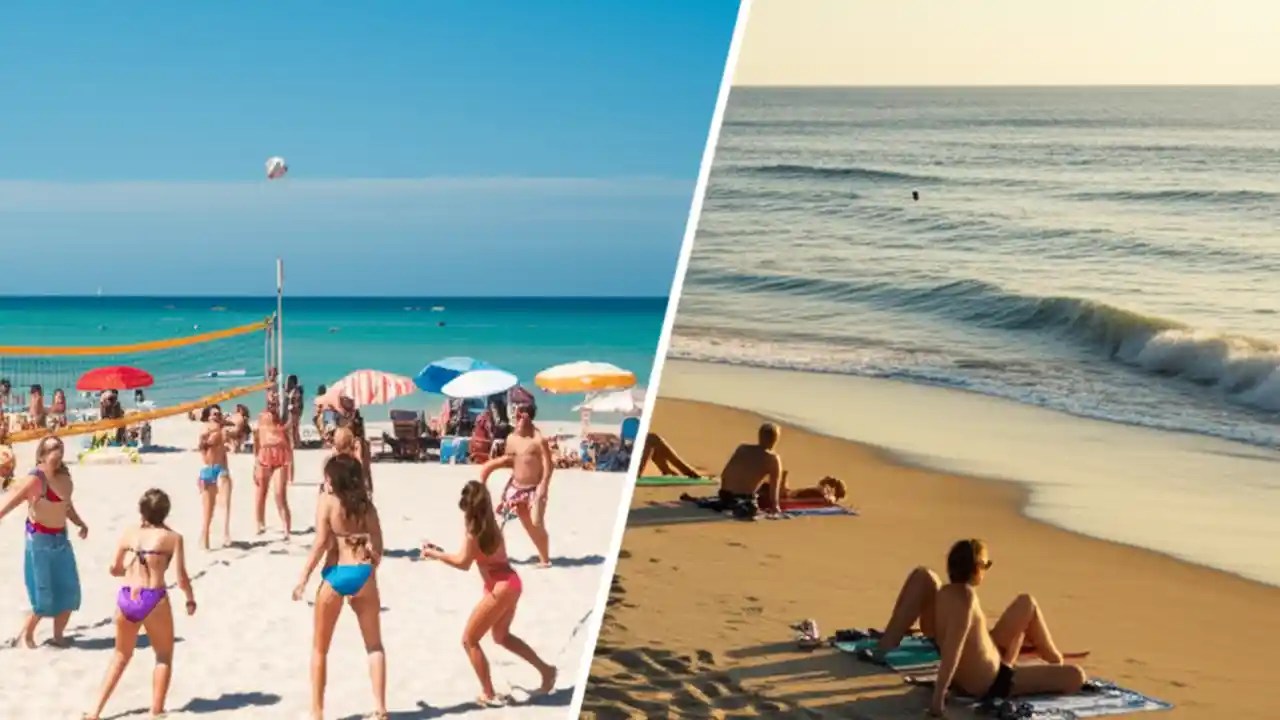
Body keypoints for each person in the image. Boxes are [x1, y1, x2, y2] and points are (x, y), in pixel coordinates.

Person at [873, 541, 1087, 717]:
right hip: (991, 682)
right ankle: (1054, 660)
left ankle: (1053, 657)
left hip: (987, 657)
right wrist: (938, 698)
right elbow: (953, 651)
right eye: (986, 565)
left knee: (1026, 603)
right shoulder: (966, 599)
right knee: (1076, 676)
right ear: (976, 569)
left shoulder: (945, 594)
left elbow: (957, 643)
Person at [420, 481, 556, 706]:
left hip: (500, 588)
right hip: (511, 583)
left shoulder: (474, 532)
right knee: (502, 637)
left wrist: (434, 554)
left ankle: (488, 693)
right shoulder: (492, 525)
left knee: (469, 640)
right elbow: (472, 556)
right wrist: (442, 554)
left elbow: (463, 563)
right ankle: (547, 671)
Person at [83, 489, 196, 720]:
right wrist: (190, 599)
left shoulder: (129, 533)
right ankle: (156, 710)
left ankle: (95, 710)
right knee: (163, 656)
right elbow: (182, 577)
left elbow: (115, 569)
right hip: (154, 597)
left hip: (127, 596)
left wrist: (127, 569)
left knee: (120, 655)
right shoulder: (173, 538)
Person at [292, 454, 387, 720]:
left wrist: (304, 577)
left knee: (320, 648)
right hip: (363, 574)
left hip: (336, 574)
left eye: (328, 477)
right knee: (374, 646)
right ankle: (380, 708)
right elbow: (378, 543)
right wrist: (371, 568)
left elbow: (321, 542)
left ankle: (317, 711)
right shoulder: (366, 506)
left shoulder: (327, 502)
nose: (325, 482)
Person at [0, 436, 88, 648]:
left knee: (70, 592)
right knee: (44, 596)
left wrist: (80, 523)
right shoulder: (34, 479)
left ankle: (58, 636)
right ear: (42, 454)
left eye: (59, 447)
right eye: (51, 449)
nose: (57, 452)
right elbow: (9, 504)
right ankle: (28, 634)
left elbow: (66, 506)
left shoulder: (65, 476)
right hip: (39, 540)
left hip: (60, 538)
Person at [480, 400, 553, 568]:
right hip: (516, 487)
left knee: (535, 522)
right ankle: (492, 553)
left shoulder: (538, 440)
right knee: (501, 521)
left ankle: (544, 559)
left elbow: (549, 466)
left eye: (520, 415)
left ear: (529, 417)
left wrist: (544, 486)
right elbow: (511, 460)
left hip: (535, 488)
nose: (516, 418)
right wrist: (491, 467)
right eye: (515, 415)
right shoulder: (511, 438)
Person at [254, 400, 293, 539]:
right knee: (261, 492)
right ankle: (260, 523)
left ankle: (286, 528)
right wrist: (255, 463)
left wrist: (291, 469)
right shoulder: (262, 417)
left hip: (280, 458)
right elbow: (257, 440)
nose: (272, 407)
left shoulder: (284, 419)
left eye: (275, 404)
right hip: (264, 456)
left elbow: (289, 446)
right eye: (270, 404)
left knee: (279, 494)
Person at [196, 405, 233, 550]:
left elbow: (234, 429)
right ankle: (204, 538)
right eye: (214, 414)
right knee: (208, 510)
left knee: (225, 505)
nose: (217, 416)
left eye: (219, 414)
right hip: (210, 469)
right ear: (208, 417)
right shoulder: (207, 429)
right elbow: (202, 446)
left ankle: (226, 533)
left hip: (223, 469)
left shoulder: (222, 430)